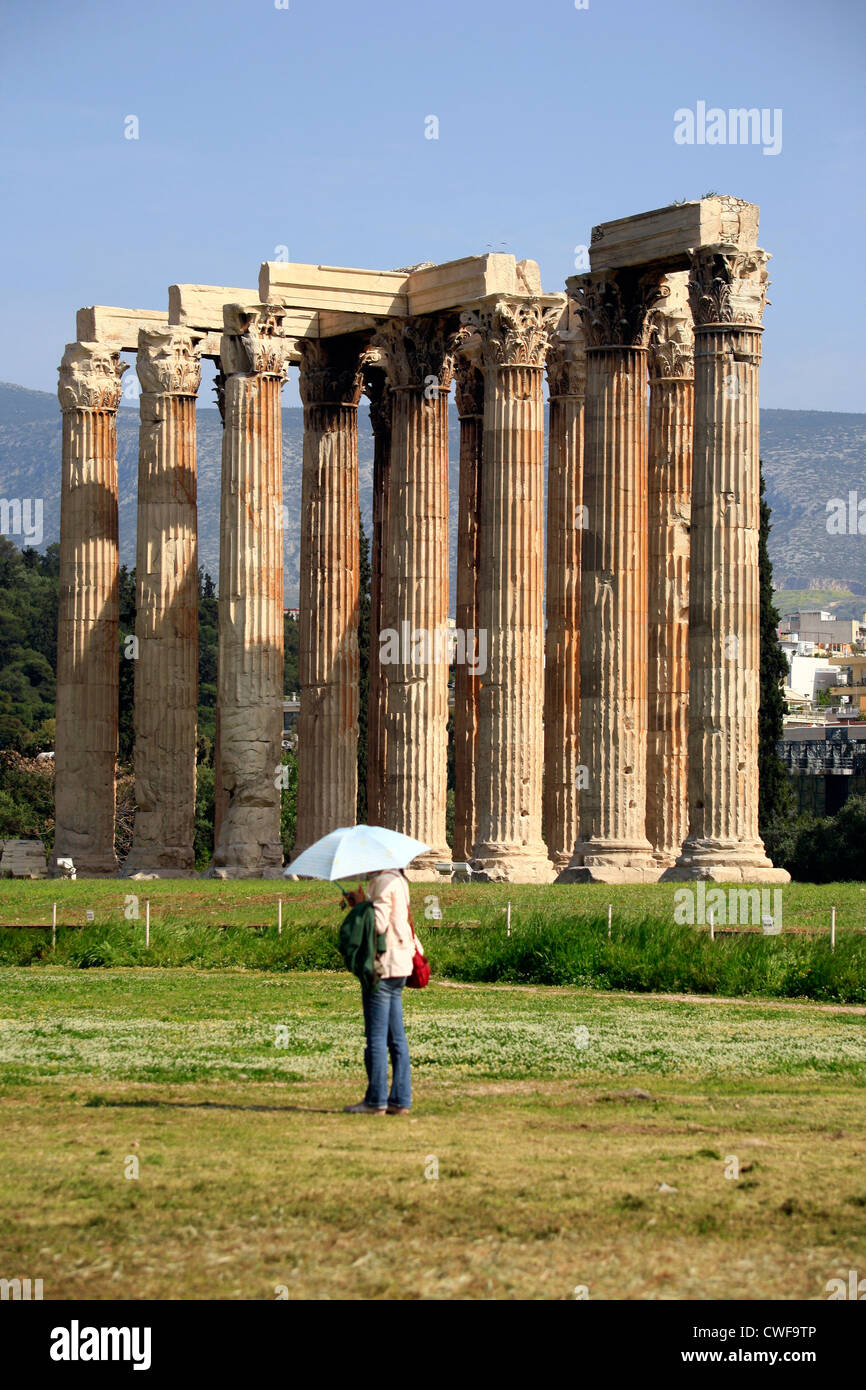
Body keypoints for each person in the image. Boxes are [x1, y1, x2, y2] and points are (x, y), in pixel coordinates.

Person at [342, 867, 416, 1116]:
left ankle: (375, 1101)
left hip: (384, 966)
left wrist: (361, 906)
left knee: (375, 1036)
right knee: (397, 1037)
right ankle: (400, 1099)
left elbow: (380, 924)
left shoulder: (383, 881)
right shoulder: (400, 880)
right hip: (401, 965)